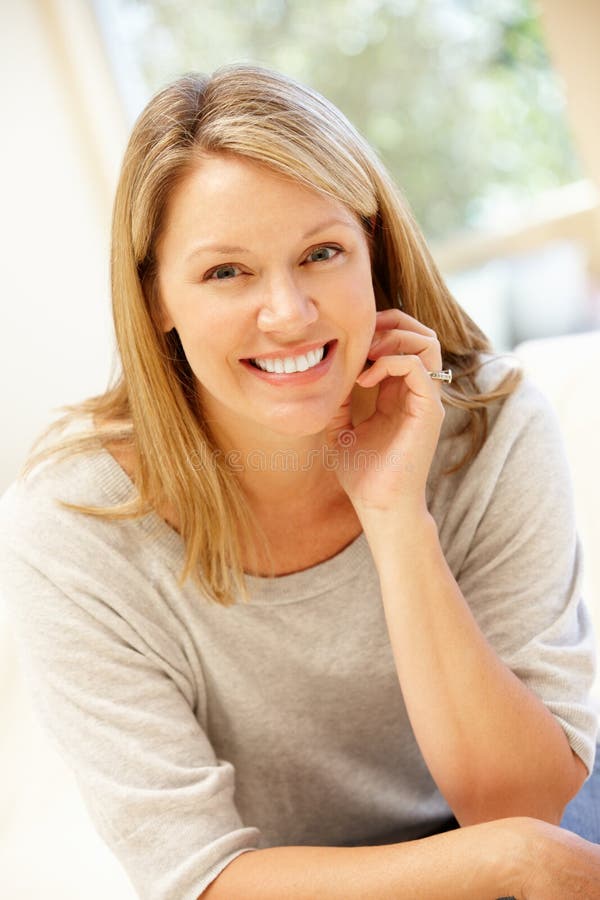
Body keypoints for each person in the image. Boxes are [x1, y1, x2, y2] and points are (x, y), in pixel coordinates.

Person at [1, 63, 599, 900]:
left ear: (372, 254)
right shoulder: (71, 526)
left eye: (321, 254)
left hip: (520, 830)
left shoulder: (491, 425)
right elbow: (198, 879)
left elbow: (532, 809)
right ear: (155, 298)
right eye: (226, 272)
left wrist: (396, 517)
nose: (287, 313)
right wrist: (508, 861)